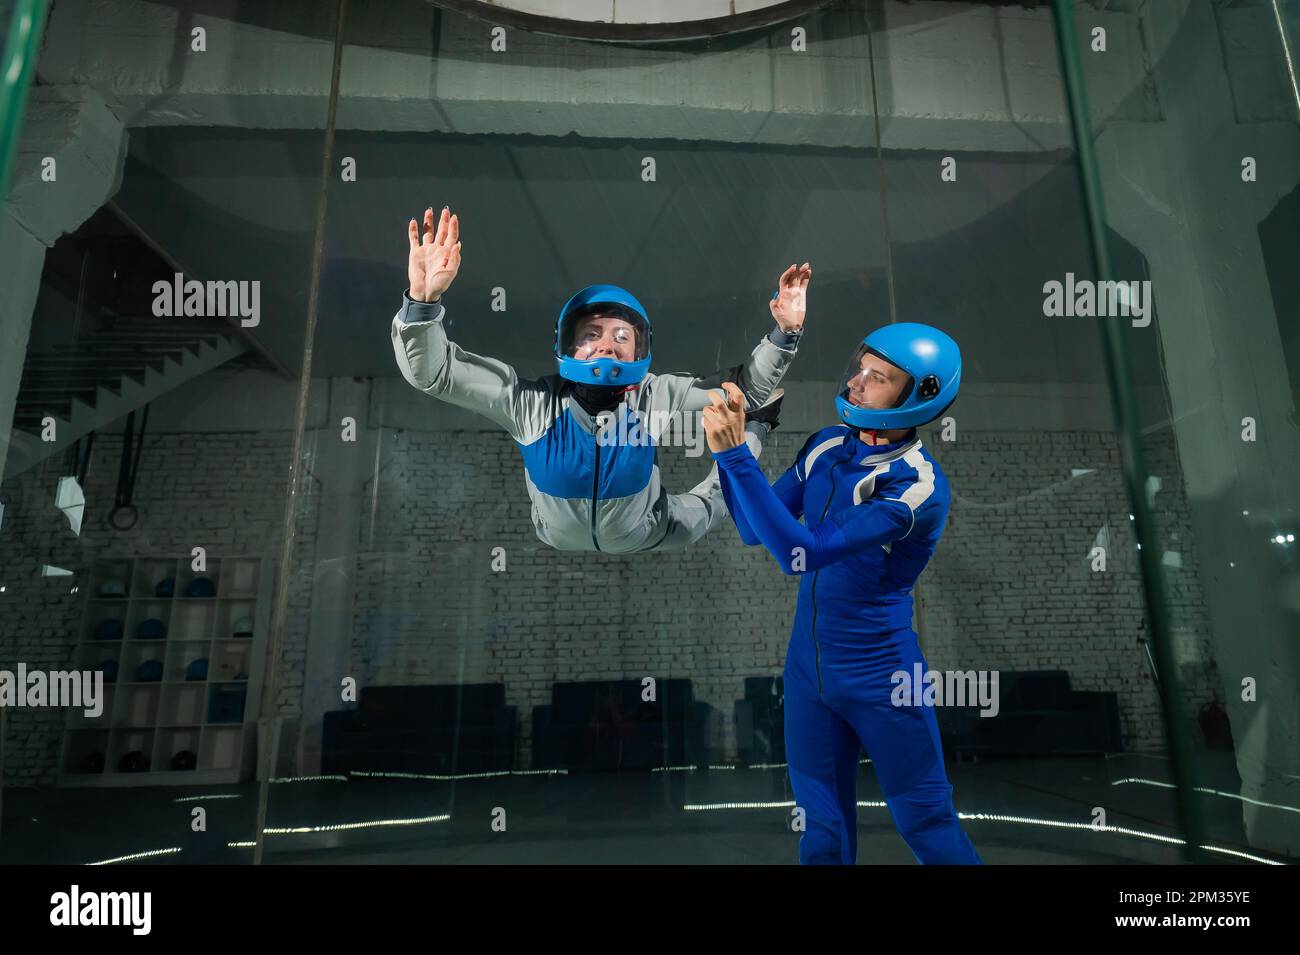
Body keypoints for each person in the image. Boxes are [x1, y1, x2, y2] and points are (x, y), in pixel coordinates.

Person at [702, 323, 982, 865]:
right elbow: (751, 528)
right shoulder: (830, 442)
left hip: (883, 676)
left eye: (879, 378)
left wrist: (737, 457)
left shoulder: (916, 484)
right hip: (809, 673)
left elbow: (796, 554)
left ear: (918, 396)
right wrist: (727, 452)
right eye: (862, 365)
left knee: (927, 825)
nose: (857, 381)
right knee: (821, 835)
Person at [392, 205, 812, 554]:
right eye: (591, 335)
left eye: (622, 336)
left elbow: (745, 389)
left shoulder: (655, 398)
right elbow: (436, 373)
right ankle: (755, 426)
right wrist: (422, 303)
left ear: (640, 348)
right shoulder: (531, 403)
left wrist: (784, 334)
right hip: (553, 532)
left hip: (647, 529)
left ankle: (756, 431)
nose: (607, 345)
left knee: (718, 497)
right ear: (567, 347)